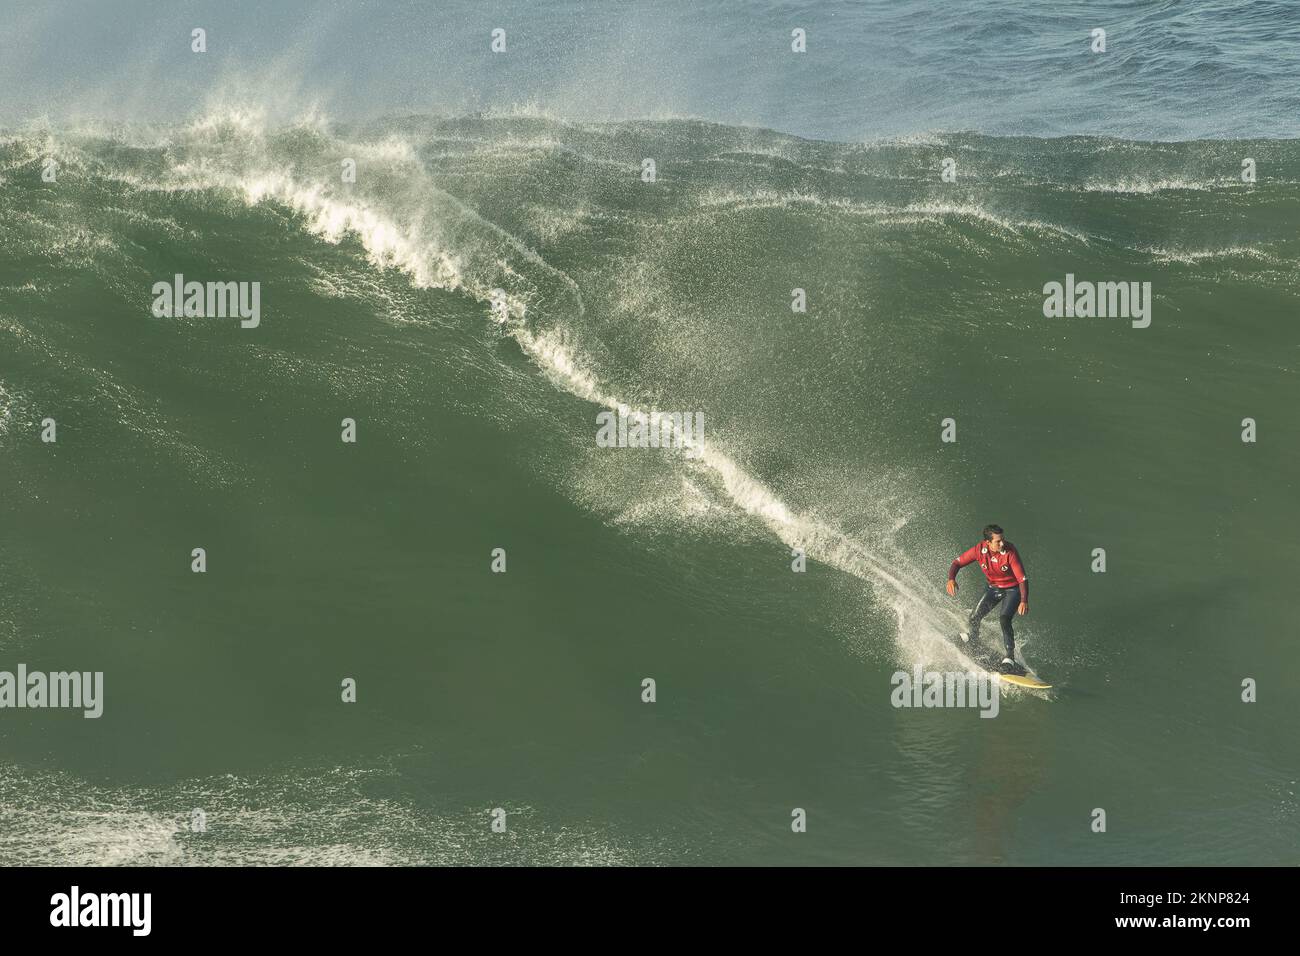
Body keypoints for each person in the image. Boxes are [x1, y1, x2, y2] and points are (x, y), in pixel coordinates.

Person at [945, 524, 1028, 674]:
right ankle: (974, 639)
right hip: (993, 588)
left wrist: (1023, 600)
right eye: (998, 541)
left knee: (1004, 619)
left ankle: (1010, 657)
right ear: (988, 543)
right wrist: (951, 579)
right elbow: (957, 563)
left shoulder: (1010, 551)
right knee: (974, 617)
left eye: (1003, 539)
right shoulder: (979, 550)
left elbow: (1022, 579)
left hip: (1012, 590)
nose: (1002, 543)